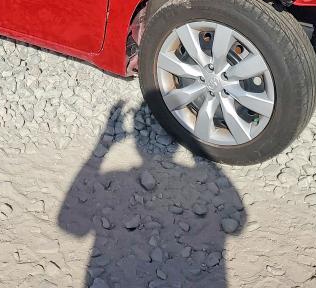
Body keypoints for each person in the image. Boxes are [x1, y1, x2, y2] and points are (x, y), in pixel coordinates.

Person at [59, 101, 246, 287]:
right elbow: (238, 223)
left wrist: (103, 146)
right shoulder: (192, 180)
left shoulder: (115, 176)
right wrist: (199, 140)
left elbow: (70, 224)